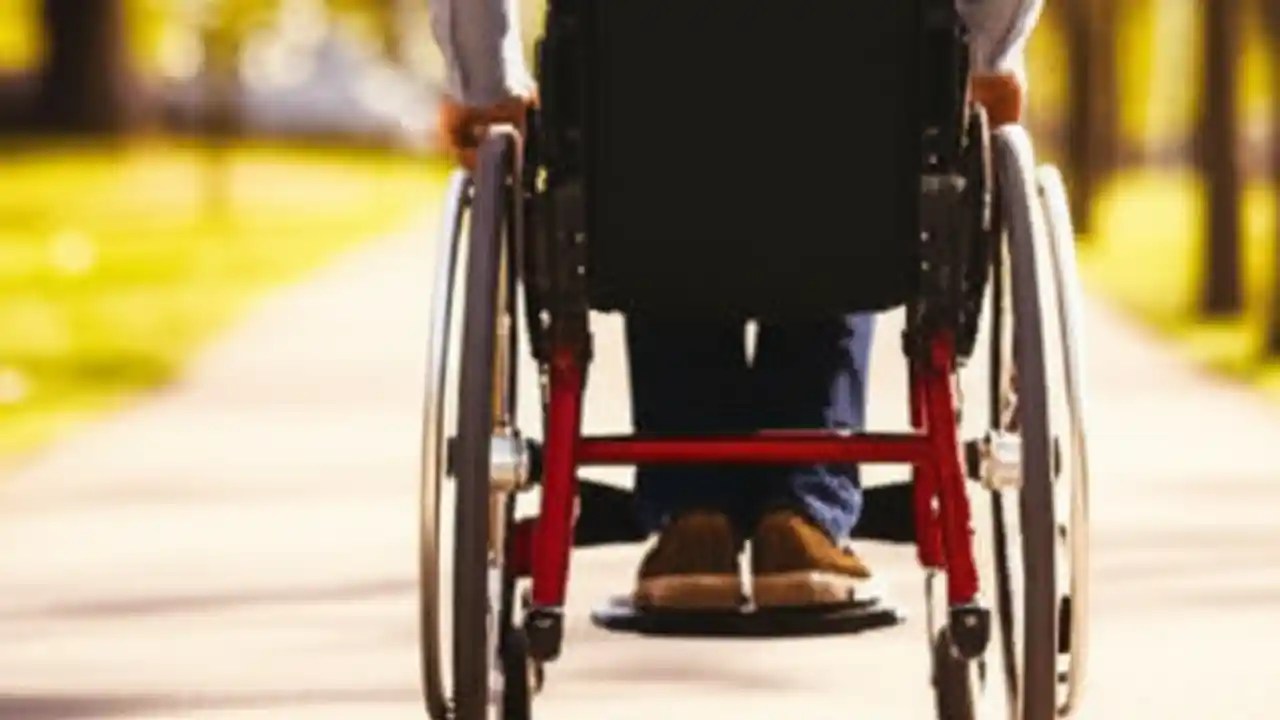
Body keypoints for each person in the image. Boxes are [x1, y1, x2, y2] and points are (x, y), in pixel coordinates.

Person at [428, 0, 1044, 611]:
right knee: (842, 160)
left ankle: (694, 519)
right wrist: (985, 59)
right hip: (853, 180)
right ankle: (801, 511)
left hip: (642, 177)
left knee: (658, 149)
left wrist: (485, 86)